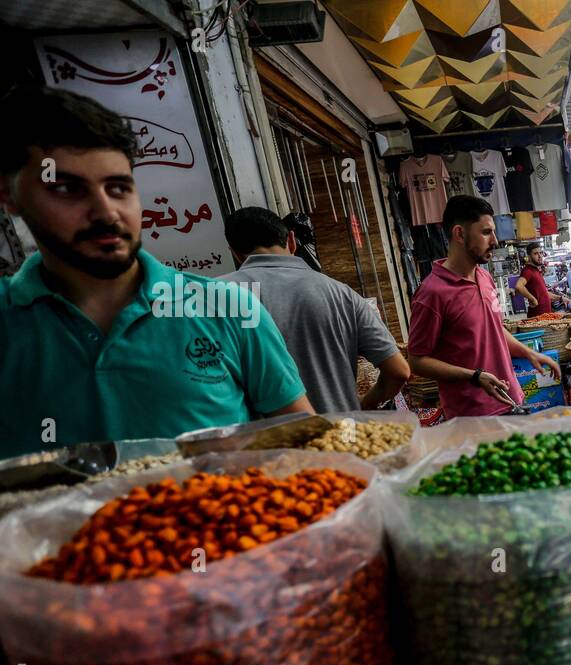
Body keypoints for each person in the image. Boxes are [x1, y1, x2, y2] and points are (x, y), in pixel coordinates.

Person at [0, 86, 309, 458]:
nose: (106, 212)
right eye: (67, 189)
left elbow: (304, 440)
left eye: (118, 188)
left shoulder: (226, 309)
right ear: (9, 196)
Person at [223, 207, 409, 414]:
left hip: (264, 442)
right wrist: (366, 402)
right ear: (291, 240)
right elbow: (399, 371)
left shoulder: (214, 296)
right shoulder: (342, 294)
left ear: (235, 253)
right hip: (341, 434)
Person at [406, 195, 561, 419]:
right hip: (474, 417)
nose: (495, 241)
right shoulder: (431, 294)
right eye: (486, 232)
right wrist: (474, 376)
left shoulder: (485, 276)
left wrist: (529, 353)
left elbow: (494, 329)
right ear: (459, 234)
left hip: (513, 400)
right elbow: (417, 361)